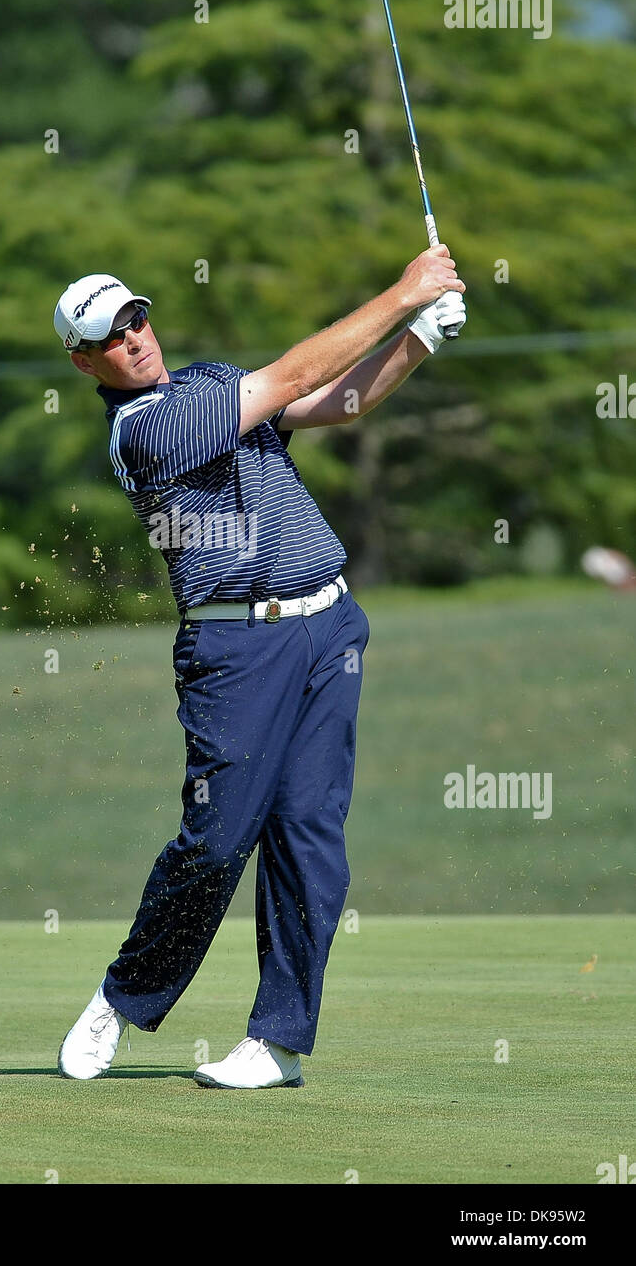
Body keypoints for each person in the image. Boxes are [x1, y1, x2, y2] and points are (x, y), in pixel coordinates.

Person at [53, 251, 466, 1089]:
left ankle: (275, 1043)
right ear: (85, 360)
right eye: (111, 335)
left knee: (312, 838)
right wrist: (404, 291)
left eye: (137, 319)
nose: (134, 339)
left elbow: (329, 401)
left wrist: (419, 338)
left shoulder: (205, 379)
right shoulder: (145, 430)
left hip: (328, 628)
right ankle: (123, 999)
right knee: (216, 843)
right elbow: (288, 377)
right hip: (235, 652)